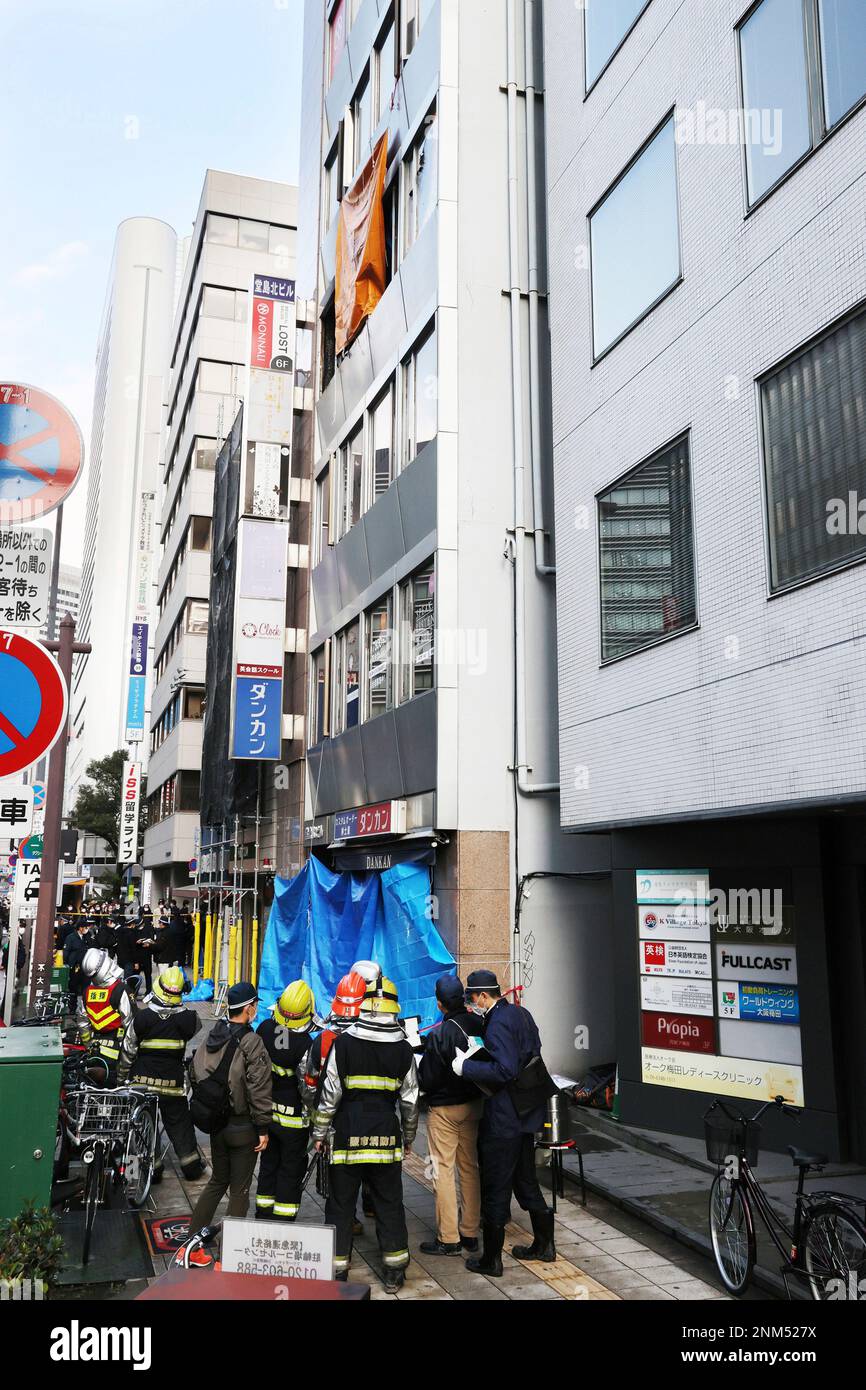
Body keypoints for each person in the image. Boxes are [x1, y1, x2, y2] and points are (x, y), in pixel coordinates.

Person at [312, 973, 419, 1290]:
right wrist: (409, 1138)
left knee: (340, 1204)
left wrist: (319, 1135)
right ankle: (395, 1270)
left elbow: (329, 1095)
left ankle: (337, 1269)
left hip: (346, 1138)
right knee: (389, 1203)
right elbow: (411, 1100)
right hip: (386, 1138)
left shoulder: (343, 1044)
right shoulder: (403, 1049)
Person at [452, 969, 556, 1276]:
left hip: (504, 1117)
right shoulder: (520, 1013)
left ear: (484, 995)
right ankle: (544, 1245)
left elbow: (504, 1070)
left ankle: (491, 1260)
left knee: (496, 1185)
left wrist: (466, 1066)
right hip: (526, 1113)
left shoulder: (496, 1023)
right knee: (525, 1180)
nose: (471, 1005)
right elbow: (530, 1052)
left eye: (472, 998)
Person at [185, 981, 273, 1267]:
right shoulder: (252, 1041)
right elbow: (259, 1088)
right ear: (249, 1009)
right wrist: (262, 1127)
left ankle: (191, 1247)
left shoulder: (215, 1033)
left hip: (216, 1125)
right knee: (239, 1191)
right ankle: (230, 1258)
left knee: (217, 1181)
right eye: (255, 1005)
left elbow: (194, 1071)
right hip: (243, 1126)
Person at [118, 966, 204, 1180]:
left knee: (142, 1125)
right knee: (180, 1123)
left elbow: (128, 1051)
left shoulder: (142, 1018)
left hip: (141, 1082)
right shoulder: (191, 1019)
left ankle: (151, 1169)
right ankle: (191, 1165)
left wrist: (121, 1079)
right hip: (173, 1083)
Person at [417, 973, 483, 1256]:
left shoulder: (440, 1034)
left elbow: (427, 1079)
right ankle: (470, 1232)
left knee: (443, 1171)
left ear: (440, 1004)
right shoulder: (480, 1023)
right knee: (470, 1168)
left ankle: (448, 1238)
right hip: (475, 1104)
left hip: (444, 1110)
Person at [255, 980, 316, 1221]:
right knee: (290, 1171)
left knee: (268, 1165)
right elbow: (307, 1088)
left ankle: (263, 1213)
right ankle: (283, 1220)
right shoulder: (305, 1044)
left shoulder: (265, 1029)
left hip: (267, 1116)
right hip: (293, 1123)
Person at [76, 948, 133, 1084]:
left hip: (94, 1052)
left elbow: (82, 1023)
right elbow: (131, 1026)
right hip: (118, 1051)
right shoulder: (121, 990)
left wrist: (89, 1045)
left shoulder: (87, 992)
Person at [64, 917, 92, 1000]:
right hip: (75, 966)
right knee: (73, 987)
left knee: (86, 987)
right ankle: (72, 1007)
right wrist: (68, 964)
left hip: (86, 967)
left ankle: (84, 1007)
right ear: (80, 928)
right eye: (86, 928)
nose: (87, 929)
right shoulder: (71, 937)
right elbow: (66, 952)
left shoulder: (87, 937)